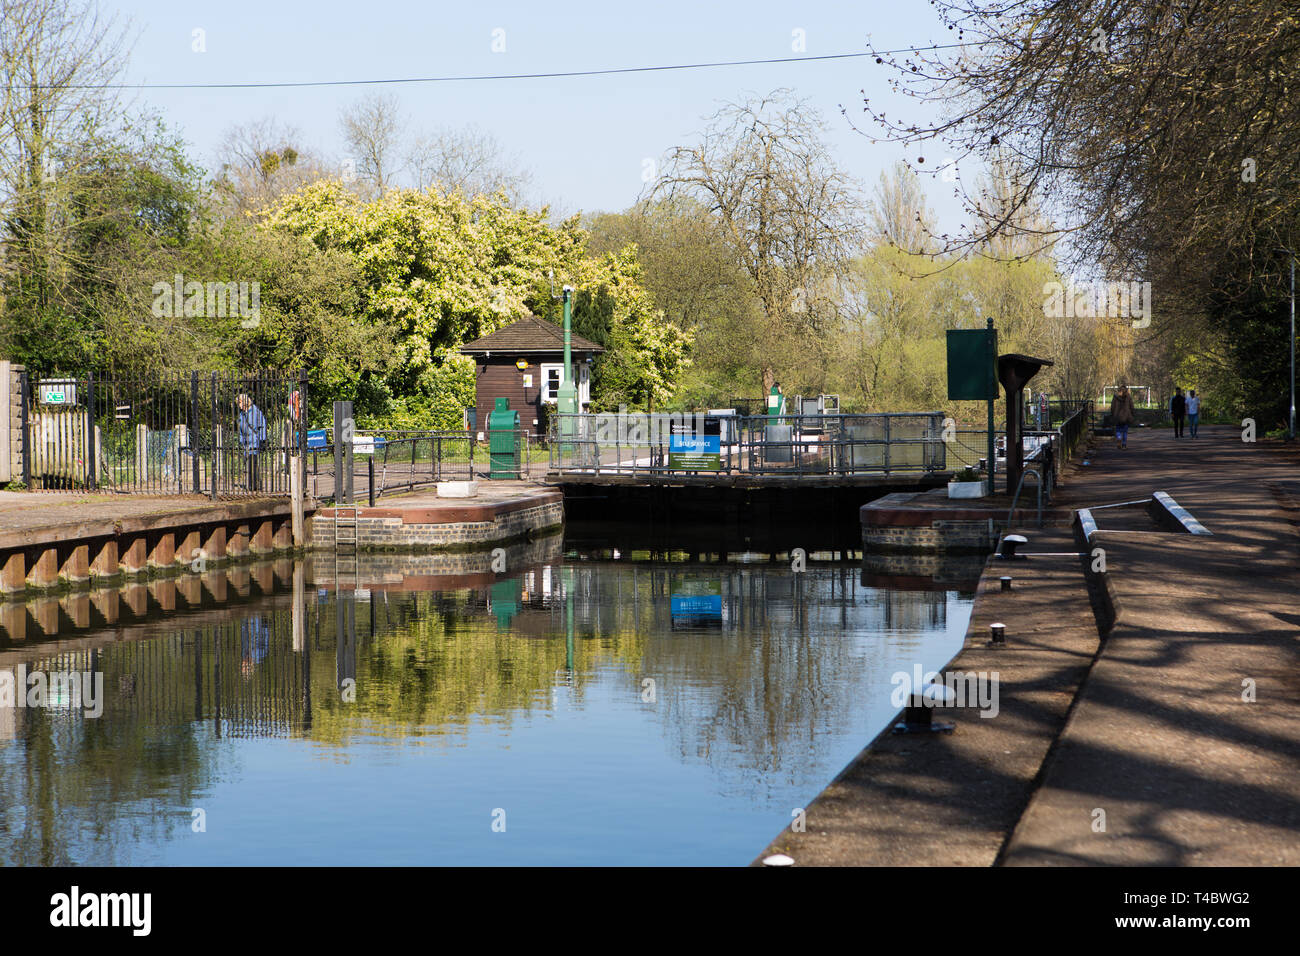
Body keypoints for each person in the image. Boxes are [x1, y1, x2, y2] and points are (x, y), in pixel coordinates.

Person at [237, 393, 267, 491]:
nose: (238, 405)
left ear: (245, 402)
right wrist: (241, 441)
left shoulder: (255, 411)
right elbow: (240, 429)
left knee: (252, 463)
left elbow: (262, 426)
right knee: (249, 464)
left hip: (254, 441)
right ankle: (255, 484)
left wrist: (262, 439)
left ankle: (253, 485)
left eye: (239, 402)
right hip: (246, 443)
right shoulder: (242, 414)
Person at [1111, 384, 1135, 450]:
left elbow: (1112, 407)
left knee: (1118, 430)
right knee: (1125, 431)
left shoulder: (1115, 397)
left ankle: (1118, 438)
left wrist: (1113, 414)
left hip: (1117, 416)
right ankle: (1124, 445)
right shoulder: (1128, 397)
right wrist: (1132, 414)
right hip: (1126, 416)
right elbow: (1132, 406)